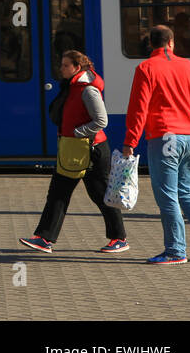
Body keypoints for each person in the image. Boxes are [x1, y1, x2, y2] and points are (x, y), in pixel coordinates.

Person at [123, 24, 190, 264]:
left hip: (165, 136)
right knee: (185, 191)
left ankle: (176, 251)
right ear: (172, 42)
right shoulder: (188, 66)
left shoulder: (146, 68)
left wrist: (129, 141)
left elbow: (138, 108)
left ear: (151, 44)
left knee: (167, 195)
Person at [19, 50, 128, 253]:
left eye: (65, 65)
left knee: (100, 194)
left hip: (91, 151)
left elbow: (101, 120)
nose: (61, 68)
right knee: (59, 193)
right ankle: (44, 238)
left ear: (77, 68)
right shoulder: (71, 87)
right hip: (74, 150)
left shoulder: (87, 90)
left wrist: (78, 132)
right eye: (61, 64)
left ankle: (119, 238)